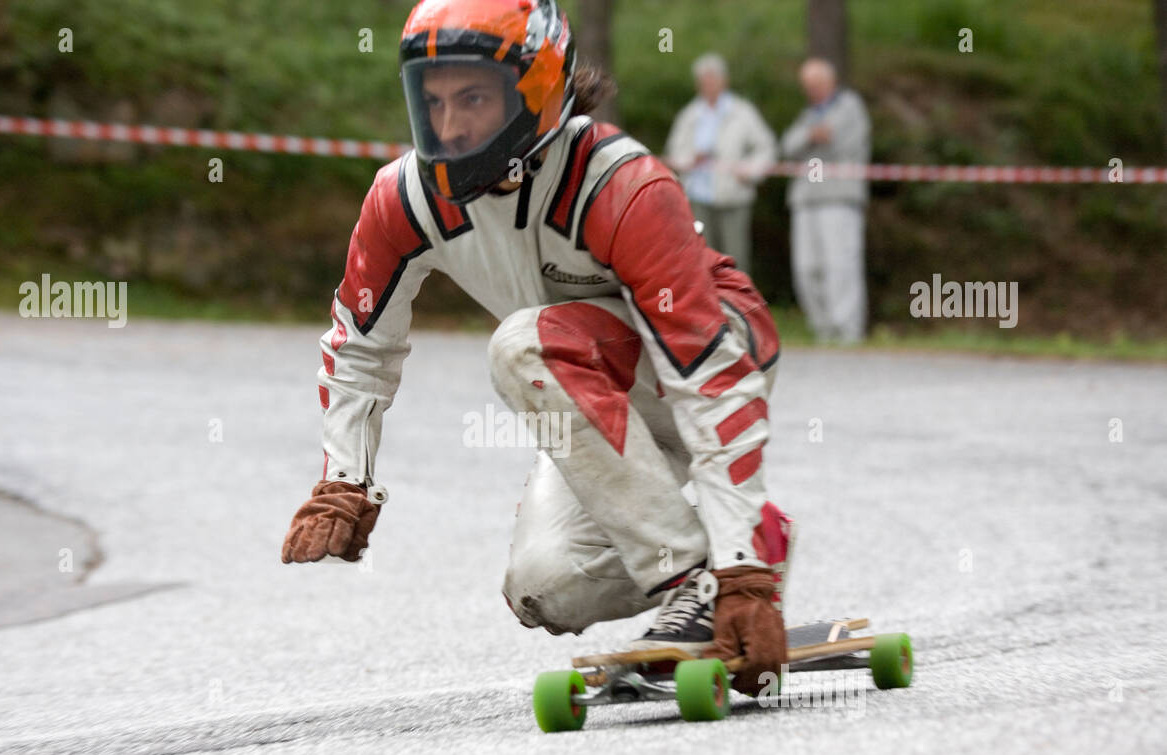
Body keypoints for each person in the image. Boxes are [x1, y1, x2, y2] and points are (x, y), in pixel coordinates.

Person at [280, 0, 793, 694]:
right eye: (431, 101)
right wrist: (345, 481)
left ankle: (705, 579)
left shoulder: (620, 182)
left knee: (524, 342)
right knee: (543, 587)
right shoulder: (403, 199)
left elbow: (712, 378)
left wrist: (741, 576)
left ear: (538, 90)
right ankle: (747, 546)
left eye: (473, 98)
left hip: (713, 353)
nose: (449, 125)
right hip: (584, 377)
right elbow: (359, 345)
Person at [780, 58, 871, 344]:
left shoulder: (850, 107)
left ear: (831, 82)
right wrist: (811, 136)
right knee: (807, 267)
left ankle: (847, 331)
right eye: (808, 86)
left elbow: (841, 146)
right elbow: (787, 146)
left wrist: (813, 142)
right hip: (807, 200)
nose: (812, 91)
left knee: (840, 265)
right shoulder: (809, 114)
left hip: (839, 199)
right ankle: (823, 330)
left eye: (816, 85)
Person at [664, 53, 776, 275]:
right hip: (697, 197)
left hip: (734, 195)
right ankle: (706, 308)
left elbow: (767, 147)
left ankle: (738, 308)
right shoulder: (689, 114)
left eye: (713, 79)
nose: (708, 84)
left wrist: (749, 171)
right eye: (704, 80)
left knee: (735, 259)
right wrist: (690, 160)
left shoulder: (742, 112)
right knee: (699, 257)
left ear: (724, 81)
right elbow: (674, 153)